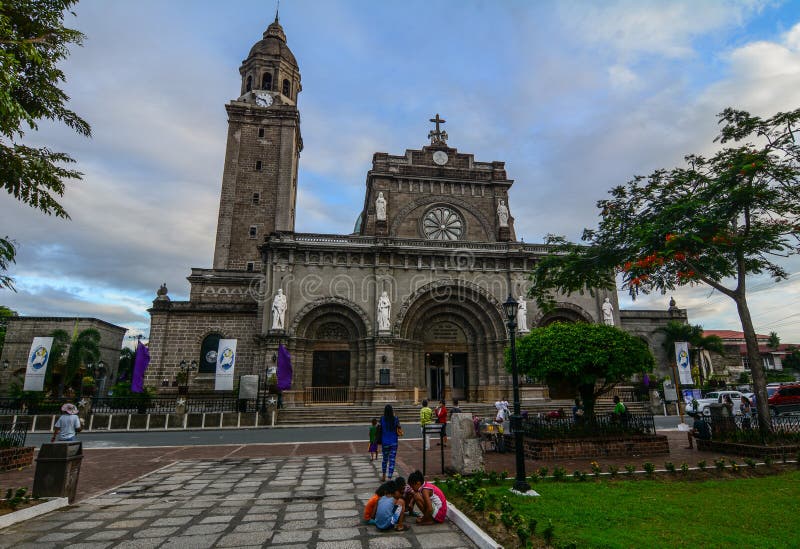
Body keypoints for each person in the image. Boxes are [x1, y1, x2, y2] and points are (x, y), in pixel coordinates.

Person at [380, 404, 401, 482]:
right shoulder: (395, 419)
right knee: (392, 459)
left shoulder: (382, 419)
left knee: (385, 459)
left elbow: (380, 428)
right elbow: (399, 427)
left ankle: (383, 475)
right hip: (394, 442)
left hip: (385, 441)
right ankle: (389, 477)